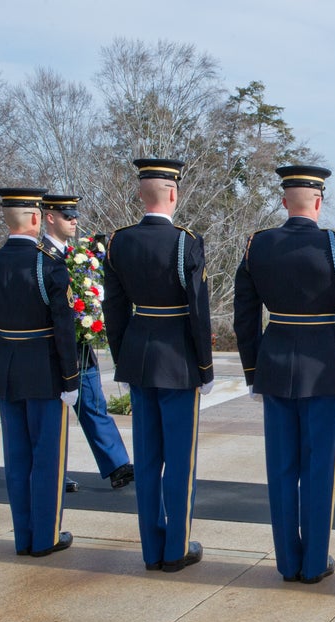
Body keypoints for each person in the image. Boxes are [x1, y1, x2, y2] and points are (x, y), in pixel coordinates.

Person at [234, 164, 335, 584]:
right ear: (319, 201)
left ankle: (287, 562)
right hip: (324, 367)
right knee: (318, 468)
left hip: (274, 364)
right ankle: (314, 564)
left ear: (283, 201)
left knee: (280, 468)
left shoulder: (259, 244)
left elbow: (244, 316)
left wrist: (253, 371)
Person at [103, 159, 213, 572]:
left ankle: (151, 548)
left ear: (139, 194)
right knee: (179, 459)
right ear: (173, 193)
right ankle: (176, 548)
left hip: (138, 355)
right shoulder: (186, 242)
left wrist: (123, 355)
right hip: (179, 360)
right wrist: (204, 366)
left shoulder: (118, 241)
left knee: (147, 458)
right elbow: (198, 312)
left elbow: (113, 309)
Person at [0, 187, 79, 557]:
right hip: (45, 370)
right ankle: (45, 537)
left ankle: (23, 536)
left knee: (17, 459)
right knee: (46, 458)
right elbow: (62, 327)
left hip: (5, 367)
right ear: (36, 218)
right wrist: (71, 379)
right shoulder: (47, 264)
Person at [39, 193, 133, 494]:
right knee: (50, 414)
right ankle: (52, 471)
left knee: (93, 403)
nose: (74, 220)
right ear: (50, 217)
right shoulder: (40, 256)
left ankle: (117, 464)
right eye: (68, 216)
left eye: (75, 215)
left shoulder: (80, 256)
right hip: (49, 347)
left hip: (80, 344)